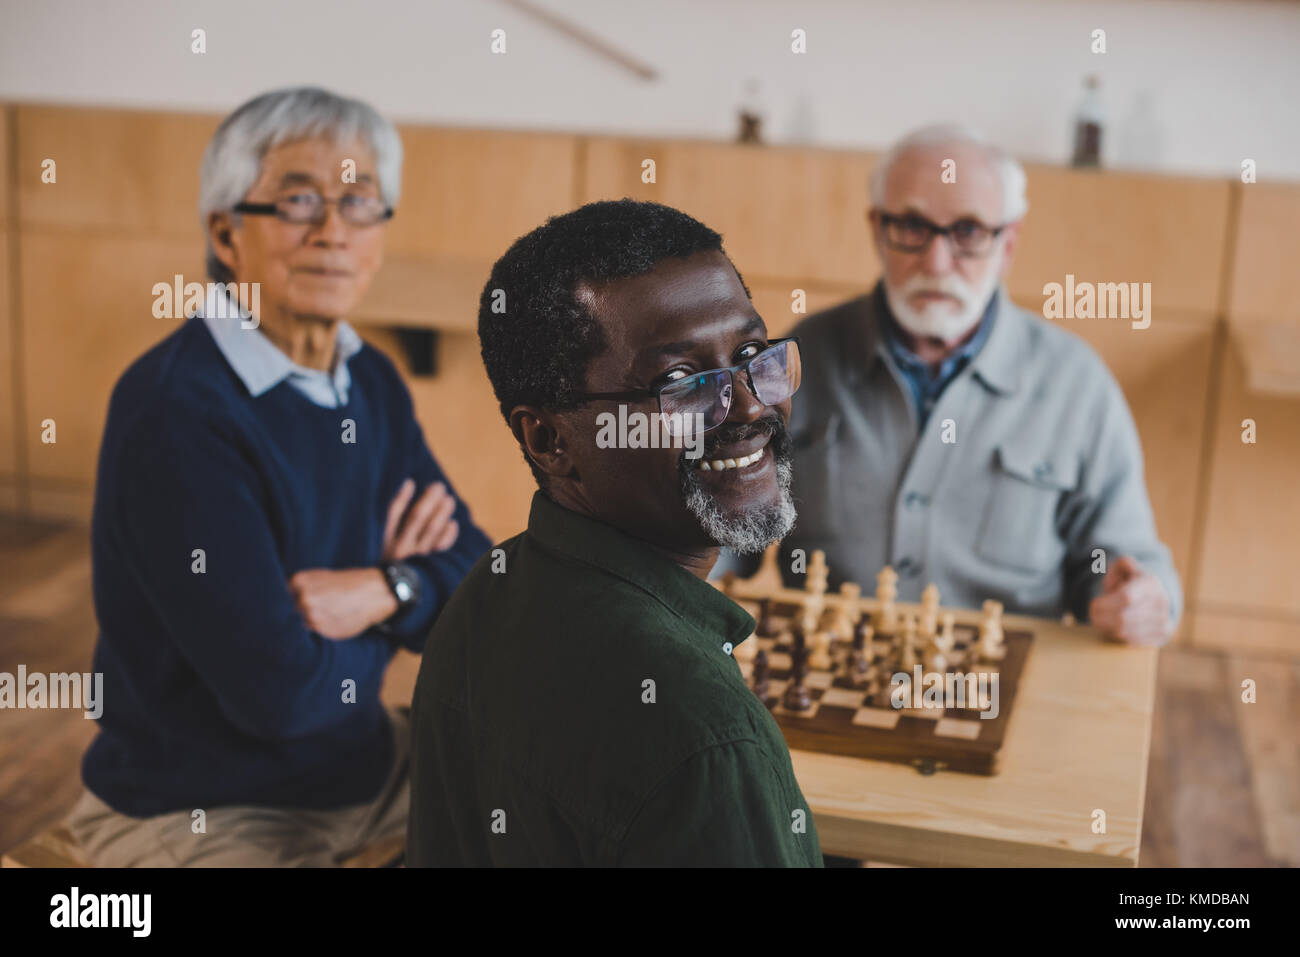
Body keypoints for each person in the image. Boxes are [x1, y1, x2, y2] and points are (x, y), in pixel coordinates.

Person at [64, 87, 491, 866]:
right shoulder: (177, 414)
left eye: (359, 202)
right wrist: (410, 603)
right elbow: (282, 698)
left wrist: (383, 589)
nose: (333, 231)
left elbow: (479, 587)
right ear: (226, 233)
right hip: (200, 807)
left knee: (574, 799)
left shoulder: (372, 381)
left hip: (367, 770)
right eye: (298, 200)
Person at [407, 199, 823, 866]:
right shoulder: (708, 734)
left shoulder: (487, 590)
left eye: (752, 353)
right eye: (681, 382)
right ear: (549, 440)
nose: (748, 405)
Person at [717, 124, 1180, 646]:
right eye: (912, 227)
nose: (937, 263)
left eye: (968, 232)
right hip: (836, 674)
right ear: (876, 229)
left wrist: (1142, 598)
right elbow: (729, 535)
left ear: (1008, 243)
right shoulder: (799, 361)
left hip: (1004, 687)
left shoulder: (1078, 385)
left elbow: (1127, 564)